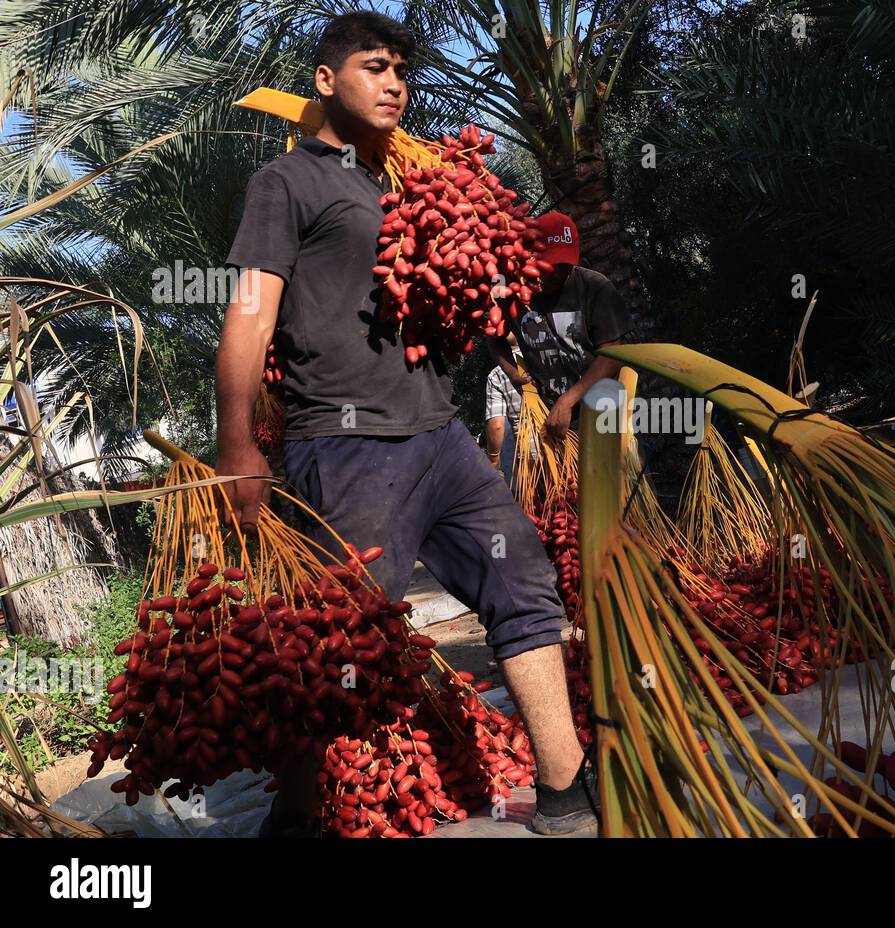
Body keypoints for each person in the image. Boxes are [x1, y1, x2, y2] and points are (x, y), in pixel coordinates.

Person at [215, 11, 596, 836]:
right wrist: (238, 447)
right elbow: (247, 319)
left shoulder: (405, 183)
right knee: (345, 645)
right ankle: (301, 815)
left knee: (524, 583)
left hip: (442, 437)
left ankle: (565, 792)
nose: (394, 83)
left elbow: (454, 295)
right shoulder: (287, 184)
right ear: (325, 82)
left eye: (401, 71)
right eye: (373, 67)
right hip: (347, 448)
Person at [485, 212, 631, 442]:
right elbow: (494, 338)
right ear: (531, 255)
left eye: (565, 265)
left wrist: (569, 399)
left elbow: (613, 354)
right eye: (552, 264)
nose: (559, 273)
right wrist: (513, 374)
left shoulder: (594, 287)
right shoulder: (509, 290)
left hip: (603, 415)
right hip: (548, 420)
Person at [484, 332, 524, 489]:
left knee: (536, 509)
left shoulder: (497, 375)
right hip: (562, 444)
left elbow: (497, 425)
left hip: (528, 454)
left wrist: (493, 460)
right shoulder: (542, 358)